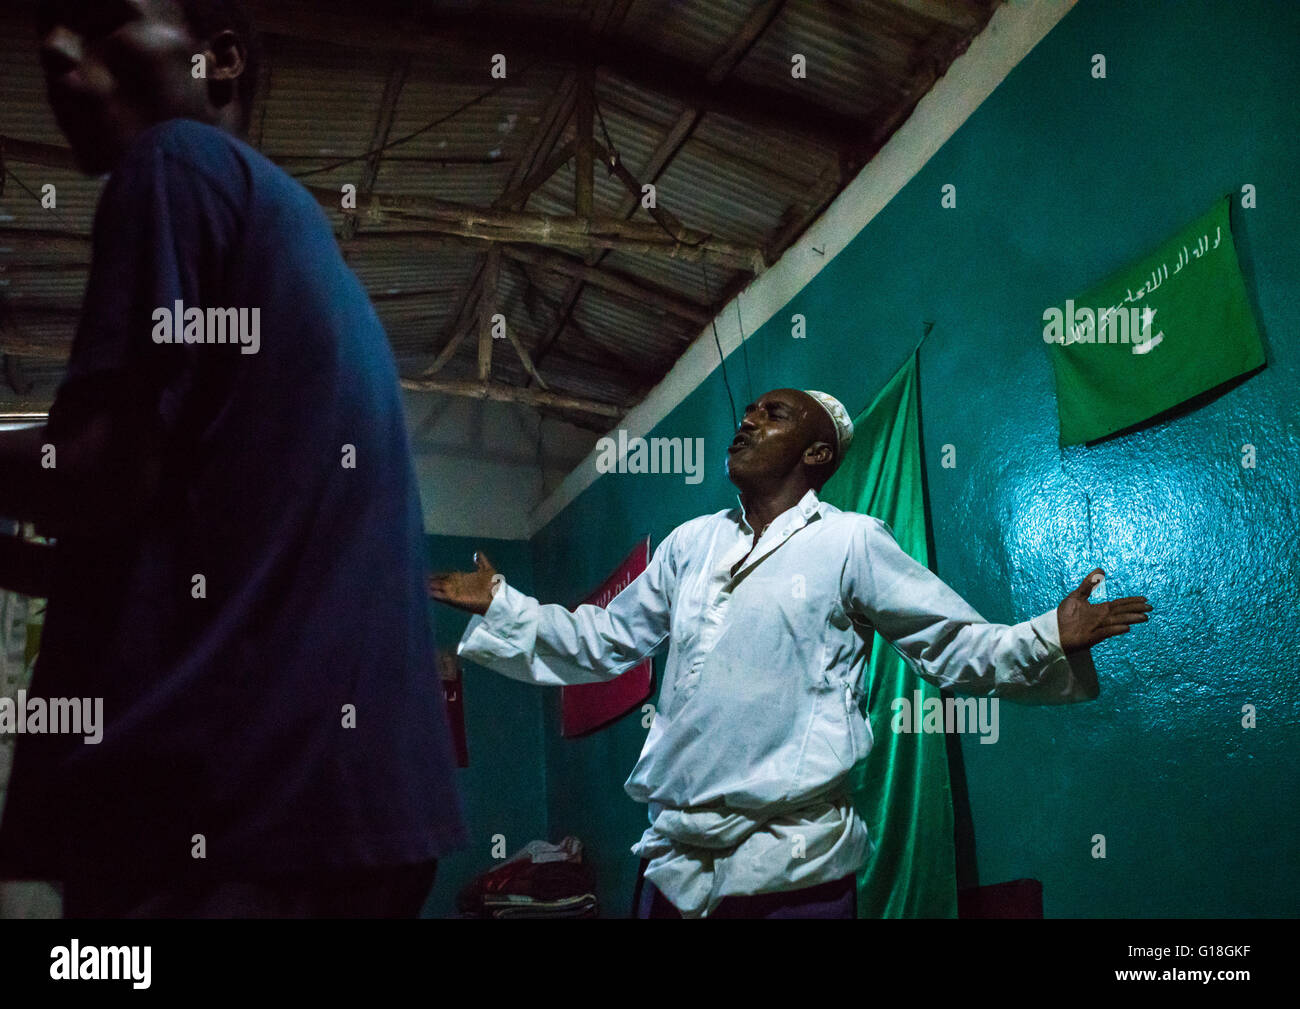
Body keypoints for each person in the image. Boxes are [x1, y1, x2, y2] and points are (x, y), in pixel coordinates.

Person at [0, 0, 466, 917]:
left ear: (219, 60)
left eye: (103, 22)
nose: (56, 48)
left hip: (222, 822)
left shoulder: (175, 163)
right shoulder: (297, 243)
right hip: (340, 827)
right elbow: (172, 556)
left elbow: (92, 471)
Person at [431, 388, 1152, 919]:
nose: (747, 420)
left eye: (773, 414)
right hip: (672, 867)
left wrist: (1048, 633)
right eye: (748, 412)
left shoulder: (851, 542)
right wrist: (504, 604)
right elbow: (601, 642)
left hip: (795, 869)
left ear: (816, 453)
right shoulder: (691, 544)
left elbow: (954, 646)